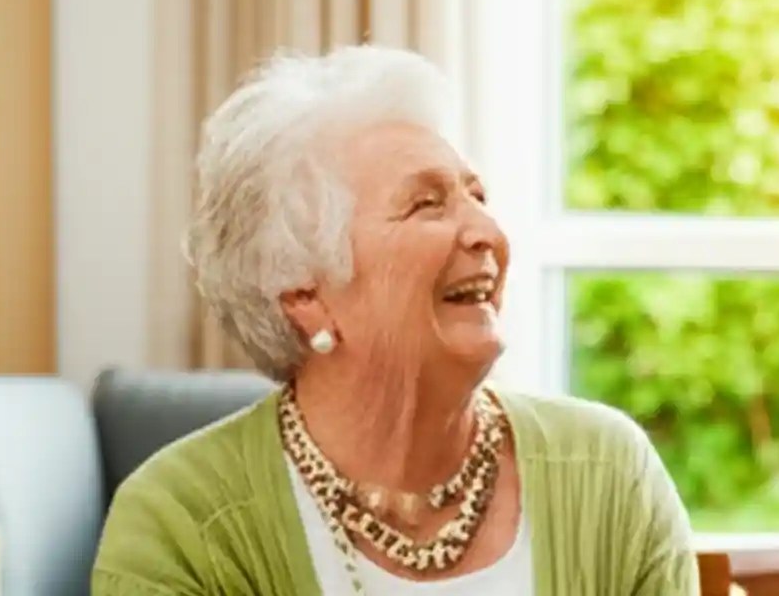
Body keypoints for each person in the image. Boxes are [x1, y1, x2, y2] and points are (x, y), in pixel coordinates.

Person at [91, 44, 699, 595]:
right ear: (305, 291)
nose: (487, 232)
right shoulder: (180, 522)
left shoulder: (609, 477)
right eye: (426, 204)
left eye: (477, 197)